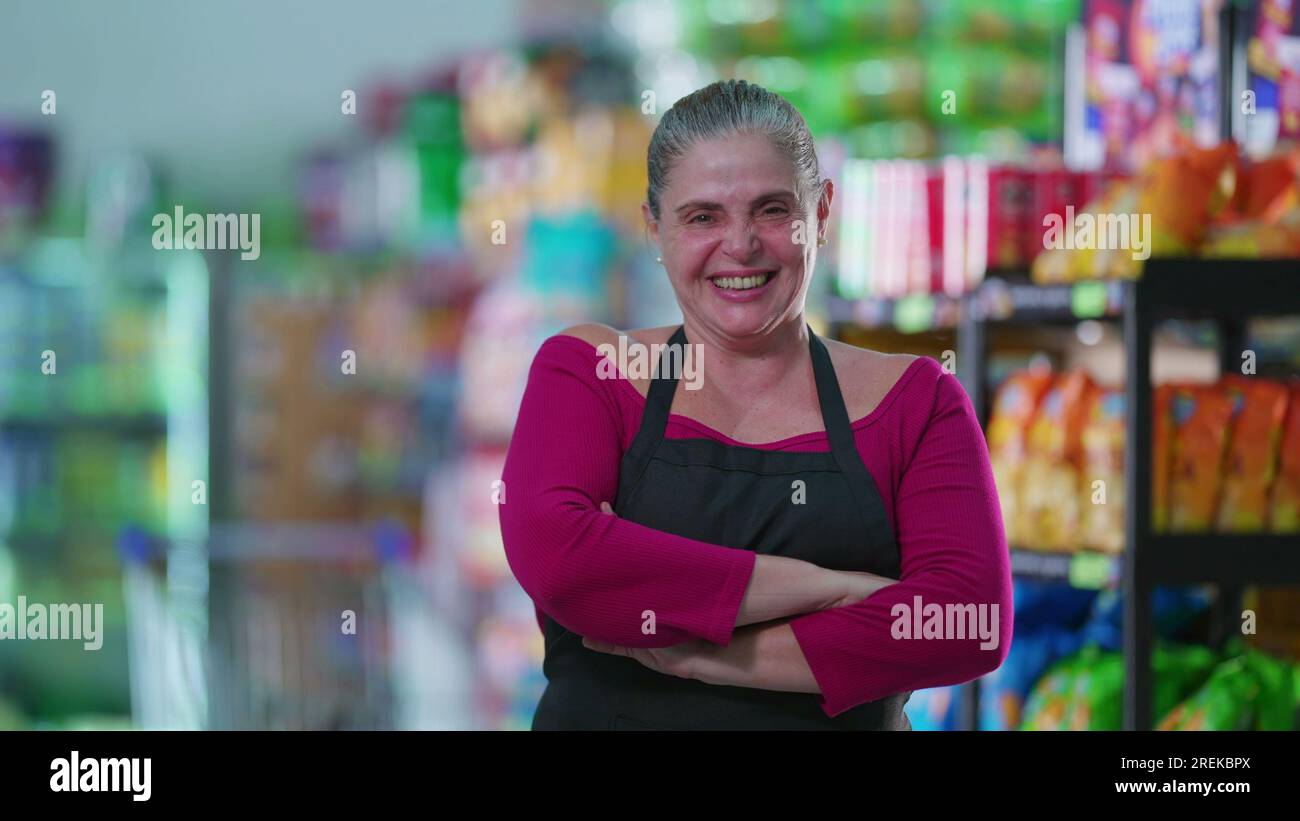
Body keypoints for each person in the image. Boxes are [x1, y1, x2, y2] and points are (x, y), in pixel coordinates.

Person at [499, 79, 1011, 730]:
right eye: (703, 216)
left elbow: (966, 619)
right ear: (655, 229)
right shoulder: (591, 371)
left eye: (771, 210)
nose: (739, 245)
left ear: (821, 213)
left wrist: (702, 655)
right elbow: (566, 563)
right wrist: (830, 588)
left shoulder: (916, 402)